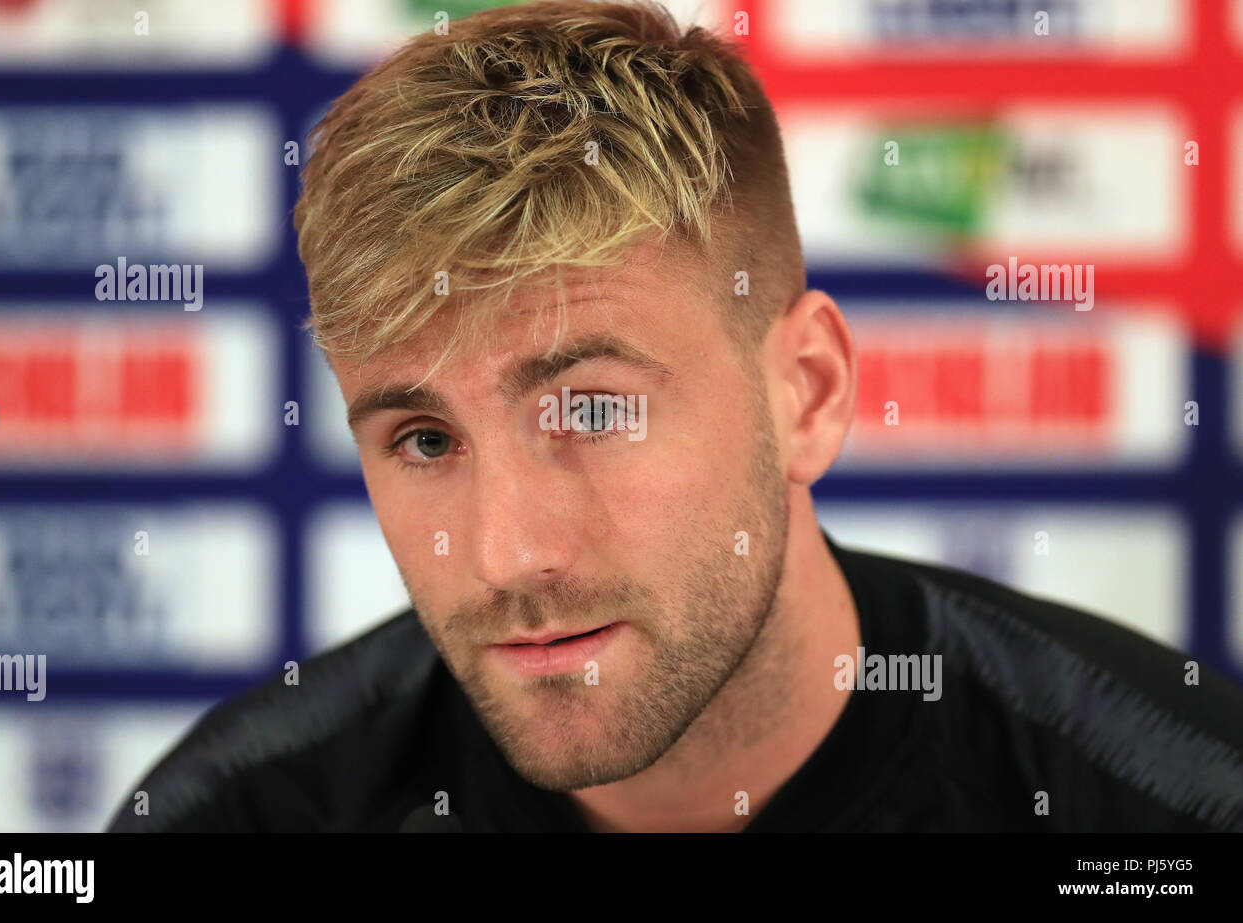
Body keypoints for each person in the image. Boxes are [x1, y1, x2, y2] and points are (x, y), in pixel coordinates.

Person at [107, 0, 1243, 833]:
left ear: (807, 391)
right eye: (425, 440)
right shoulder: (235, 818)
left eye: (590, 408)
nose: (506, 554)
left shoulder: (1167, 804)